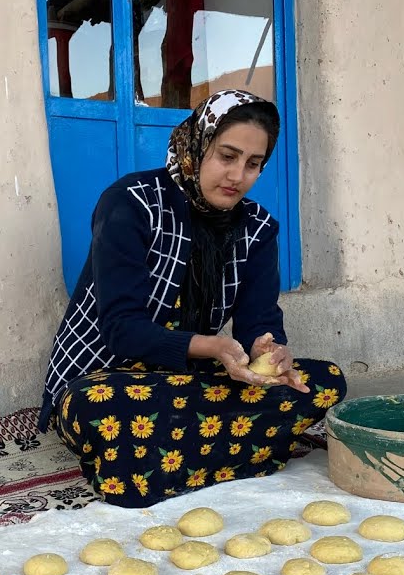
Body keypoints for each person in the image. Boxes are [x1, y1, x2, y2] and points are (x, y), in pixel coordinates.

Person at [38, 89, 347, 507]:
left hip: (191, 383)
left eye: (253, 164)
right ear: (197, 146)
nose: (237, 175)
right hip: (107, 379)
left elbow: (260, 321)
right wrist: (215, 347)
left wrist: (270, 351)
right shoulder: (133, 203)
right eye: (227, 156)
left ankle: (172, 456)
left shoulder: (257, 230)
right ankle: (229, 449)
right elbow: (122, 331)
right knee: (103, 409)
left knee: (324, 381)